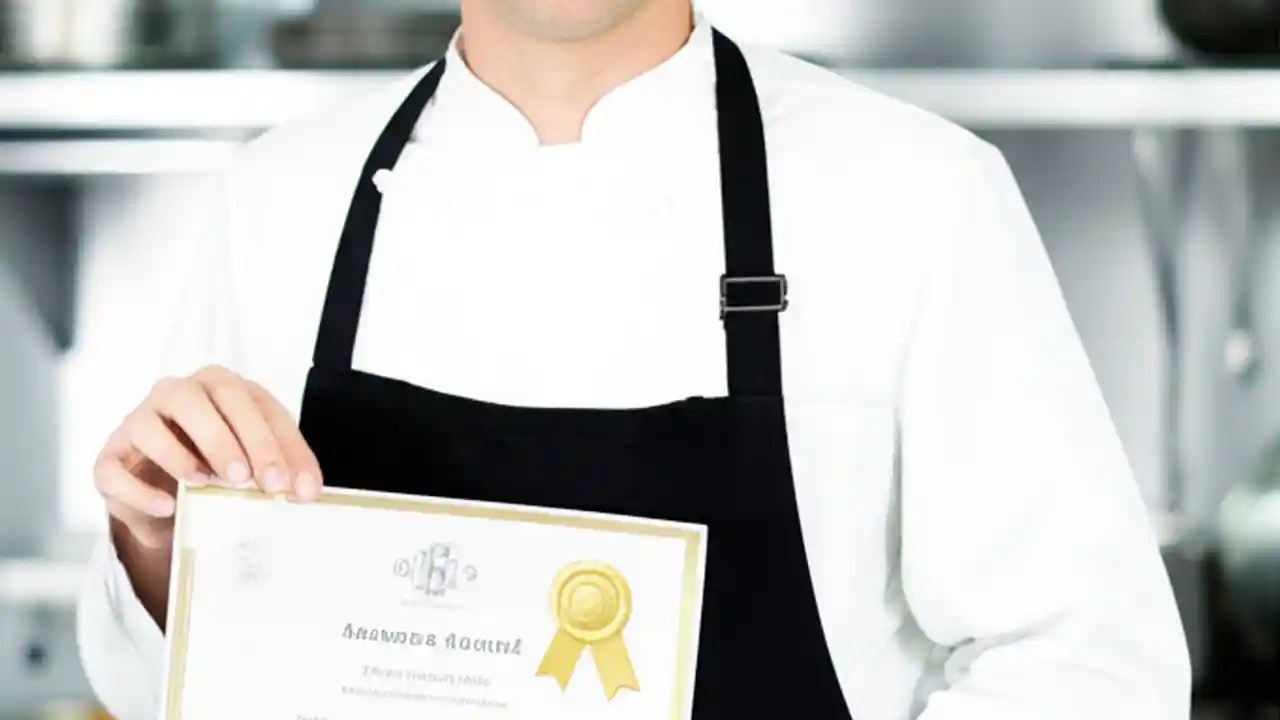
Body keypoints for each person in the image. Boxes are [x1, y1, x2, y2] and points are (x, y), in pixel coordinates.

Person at [77, 0, 1192, 718]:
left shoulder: (916, 193)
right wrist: (160, 549)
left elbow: (1090, 669)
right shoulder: (282, 198)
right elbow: (164, 685)